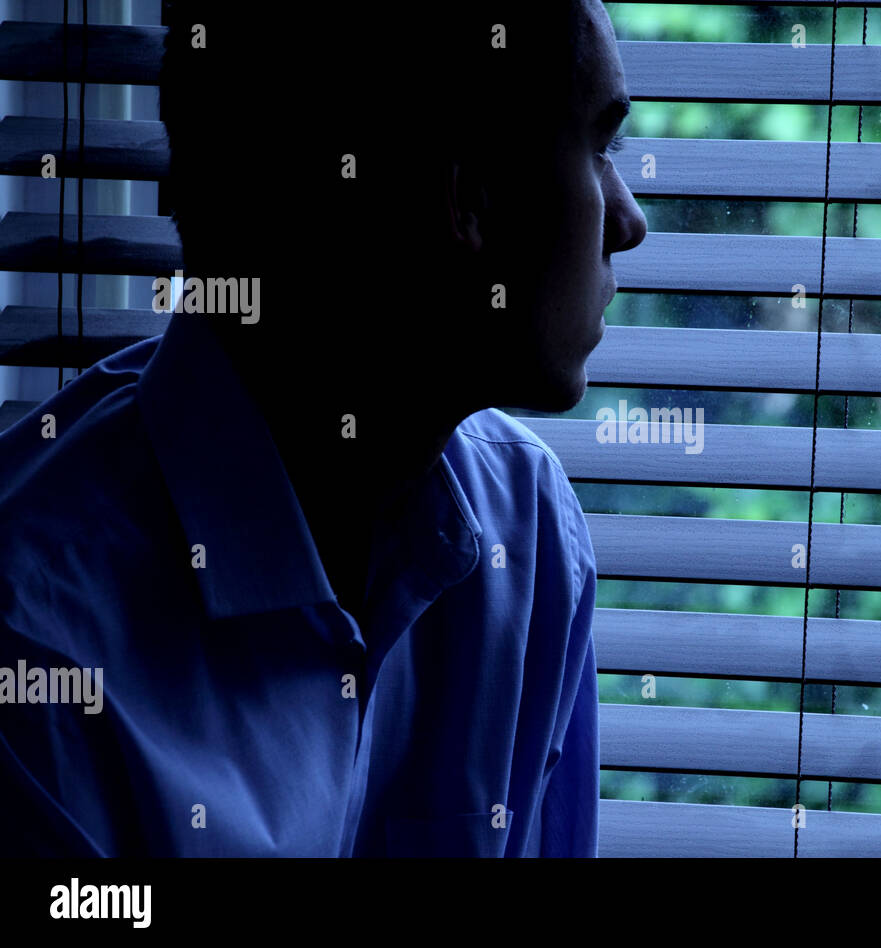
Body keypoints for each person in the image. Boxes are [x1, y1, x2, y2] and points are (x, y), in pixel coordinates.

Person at [0, 0, 646, 856]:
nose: (629, 221)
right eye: (598, 146)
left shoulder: (528, 540)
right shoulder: (37, 654)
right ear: (469, 198)